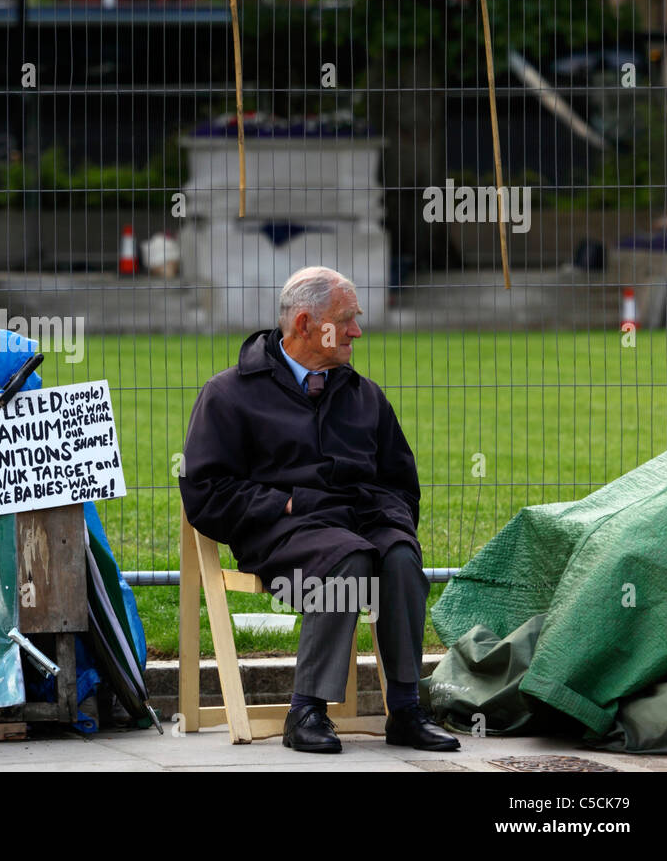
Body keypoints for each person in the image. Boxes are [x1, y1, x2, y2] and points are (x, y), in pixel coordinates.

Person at [179, 266, 459, 754]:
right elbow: (205, 491)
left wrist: (392, 523)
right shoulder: (228, 395)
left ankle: (407, 709)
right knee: (347, 559)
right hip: (280, 531)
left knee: (397, 557)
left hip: (361, 523)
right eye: (346, 319)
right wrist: (284, 501)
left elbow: (401, 483)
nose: (357, 330)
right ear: (306, 323)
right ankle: (305, 711)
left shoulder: (364, 395)